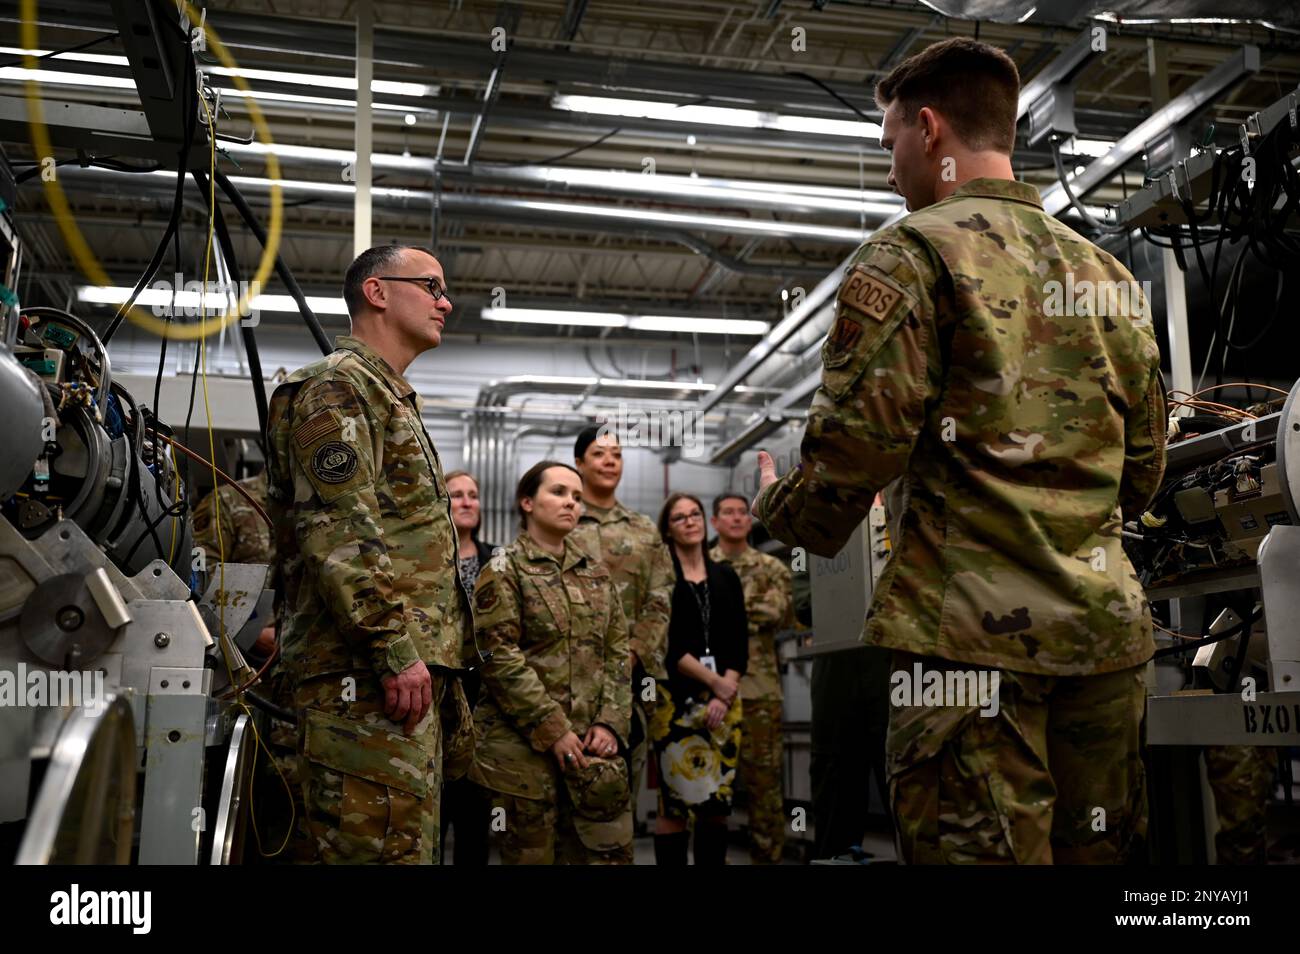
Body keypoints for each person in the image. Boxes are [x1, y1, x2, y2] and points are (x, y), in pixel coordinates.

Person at [751, 37, 1166, 864]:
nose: (889, 164)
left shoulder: (913, 254)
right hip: (1106, 646)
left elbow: (851, 460)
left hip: (968, 655)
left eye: (891, 141)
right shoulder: (1107, 274)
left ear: (929, 128)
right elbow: (1145, 471)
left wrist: (776, 509)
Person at [266, 244, 479, 865]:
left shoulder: (389, 396)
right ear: (377, 292)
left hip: (394, 681)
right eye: (432, 286)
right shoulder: (338, 387)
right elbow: (339, 534)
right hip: (362, 680)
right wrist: (392, 649)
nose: (446, 301)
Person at [468, 461, 633, 864]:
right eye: (558, 493)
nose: (571, 504)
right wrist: (553, 728)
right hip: (521, 753)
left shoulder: (596, 574)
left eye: (577, 497)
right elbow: (499, 657)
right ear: (527, 502)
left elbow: (617, 651)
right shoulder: (504, 570)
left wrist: (610, 721)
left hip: (592, 751)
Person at [570, 426, 673, 821]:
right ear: (579, 462)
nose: (609, 461)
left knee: (619, 784)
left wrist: (631, 654)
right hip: (568, 674)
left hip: (631, 677)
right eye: (599, 454)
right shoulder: (562, 519)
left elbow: (660, 598)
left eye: (616, 454)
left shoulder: (644, 530)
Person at [652, 492, 748, 865]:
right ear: (669, 529)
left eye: (695, 514)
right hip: (675, 702)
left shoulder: (727, 576)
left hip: (724, 703)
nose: (690, 522)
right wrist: (714, 683)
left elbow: (740, 641)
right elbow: (667, 644)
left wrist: (725, 692)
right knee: (673, 808)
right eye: (680, 518)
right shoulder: (661, 578)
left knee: (717, 804)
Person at [708, 492, 794, 865]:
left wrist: (726, 611)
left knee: (766, 790)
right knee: (709, 790)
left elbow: (779, 614)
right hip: (711, 692)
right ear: (715, 522)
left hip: (761, 690)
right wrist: (747, 610)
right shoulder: (699, 566)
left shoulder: (772, 567)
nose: (738, 518)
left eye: (743, 512)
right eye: (728, 513)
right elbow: (696, 622)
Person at [437, 470, 495, 865]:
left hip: (485, 698)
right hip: (439, 694)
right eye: (456, 494)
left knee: (476, 818)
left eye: (473, 495)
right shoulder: (429, 559)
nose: (467, 501)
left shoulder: (499, 559)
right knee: (435, 815)